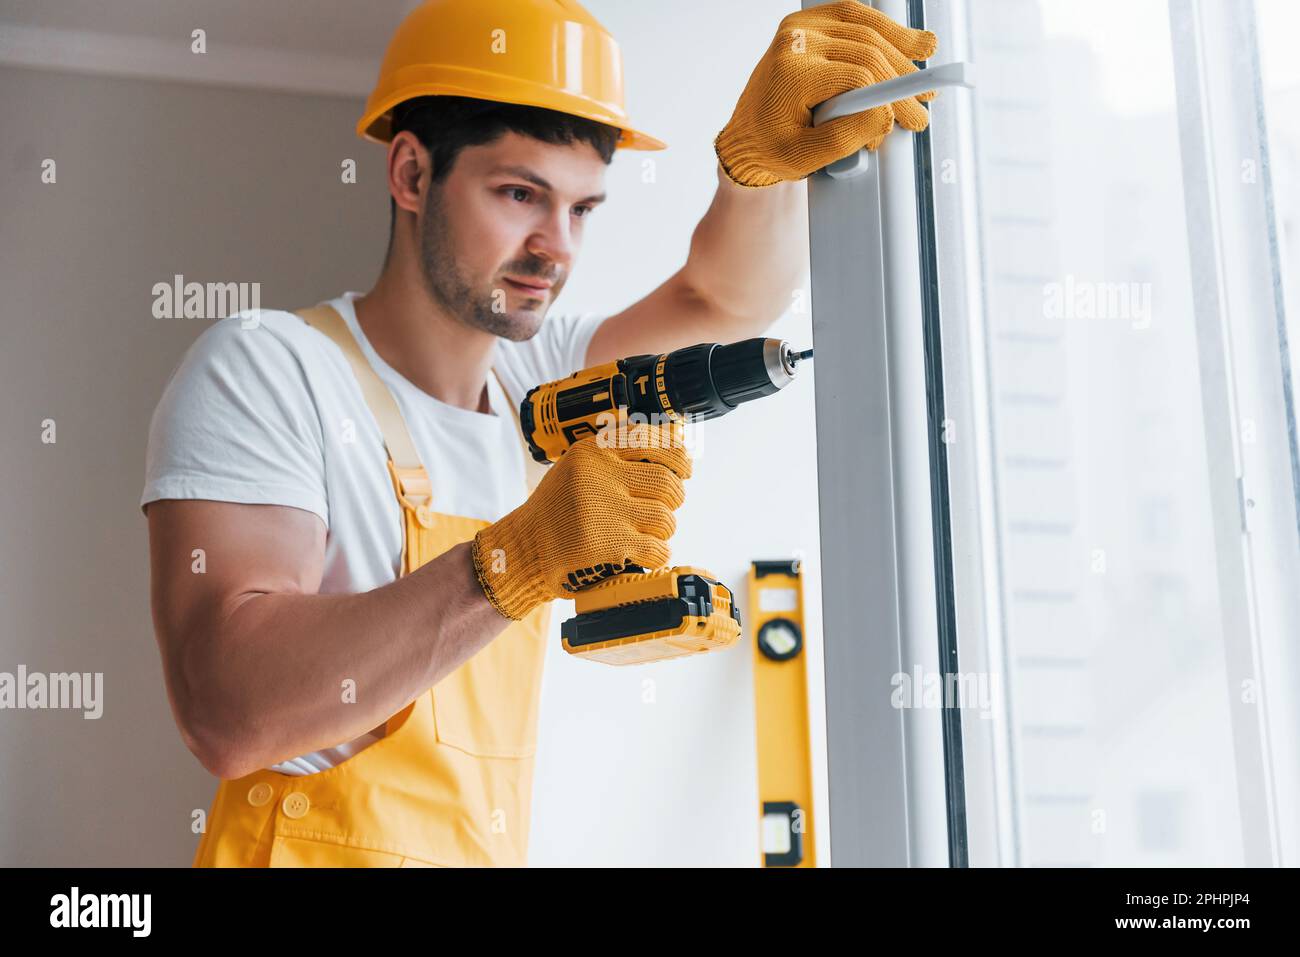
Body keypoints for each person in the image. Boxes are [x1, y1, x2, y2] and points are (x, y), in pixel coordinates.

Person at [141, 0, 937, 867]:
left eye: (582, 209)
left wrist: (756, 172)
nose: (554, 248)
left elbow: (723, 304)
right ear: (411, 174)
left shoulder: (539, 381)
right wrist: (515, 561)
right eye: (521, 194)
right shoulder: (272, 368)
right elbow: (227, 712)